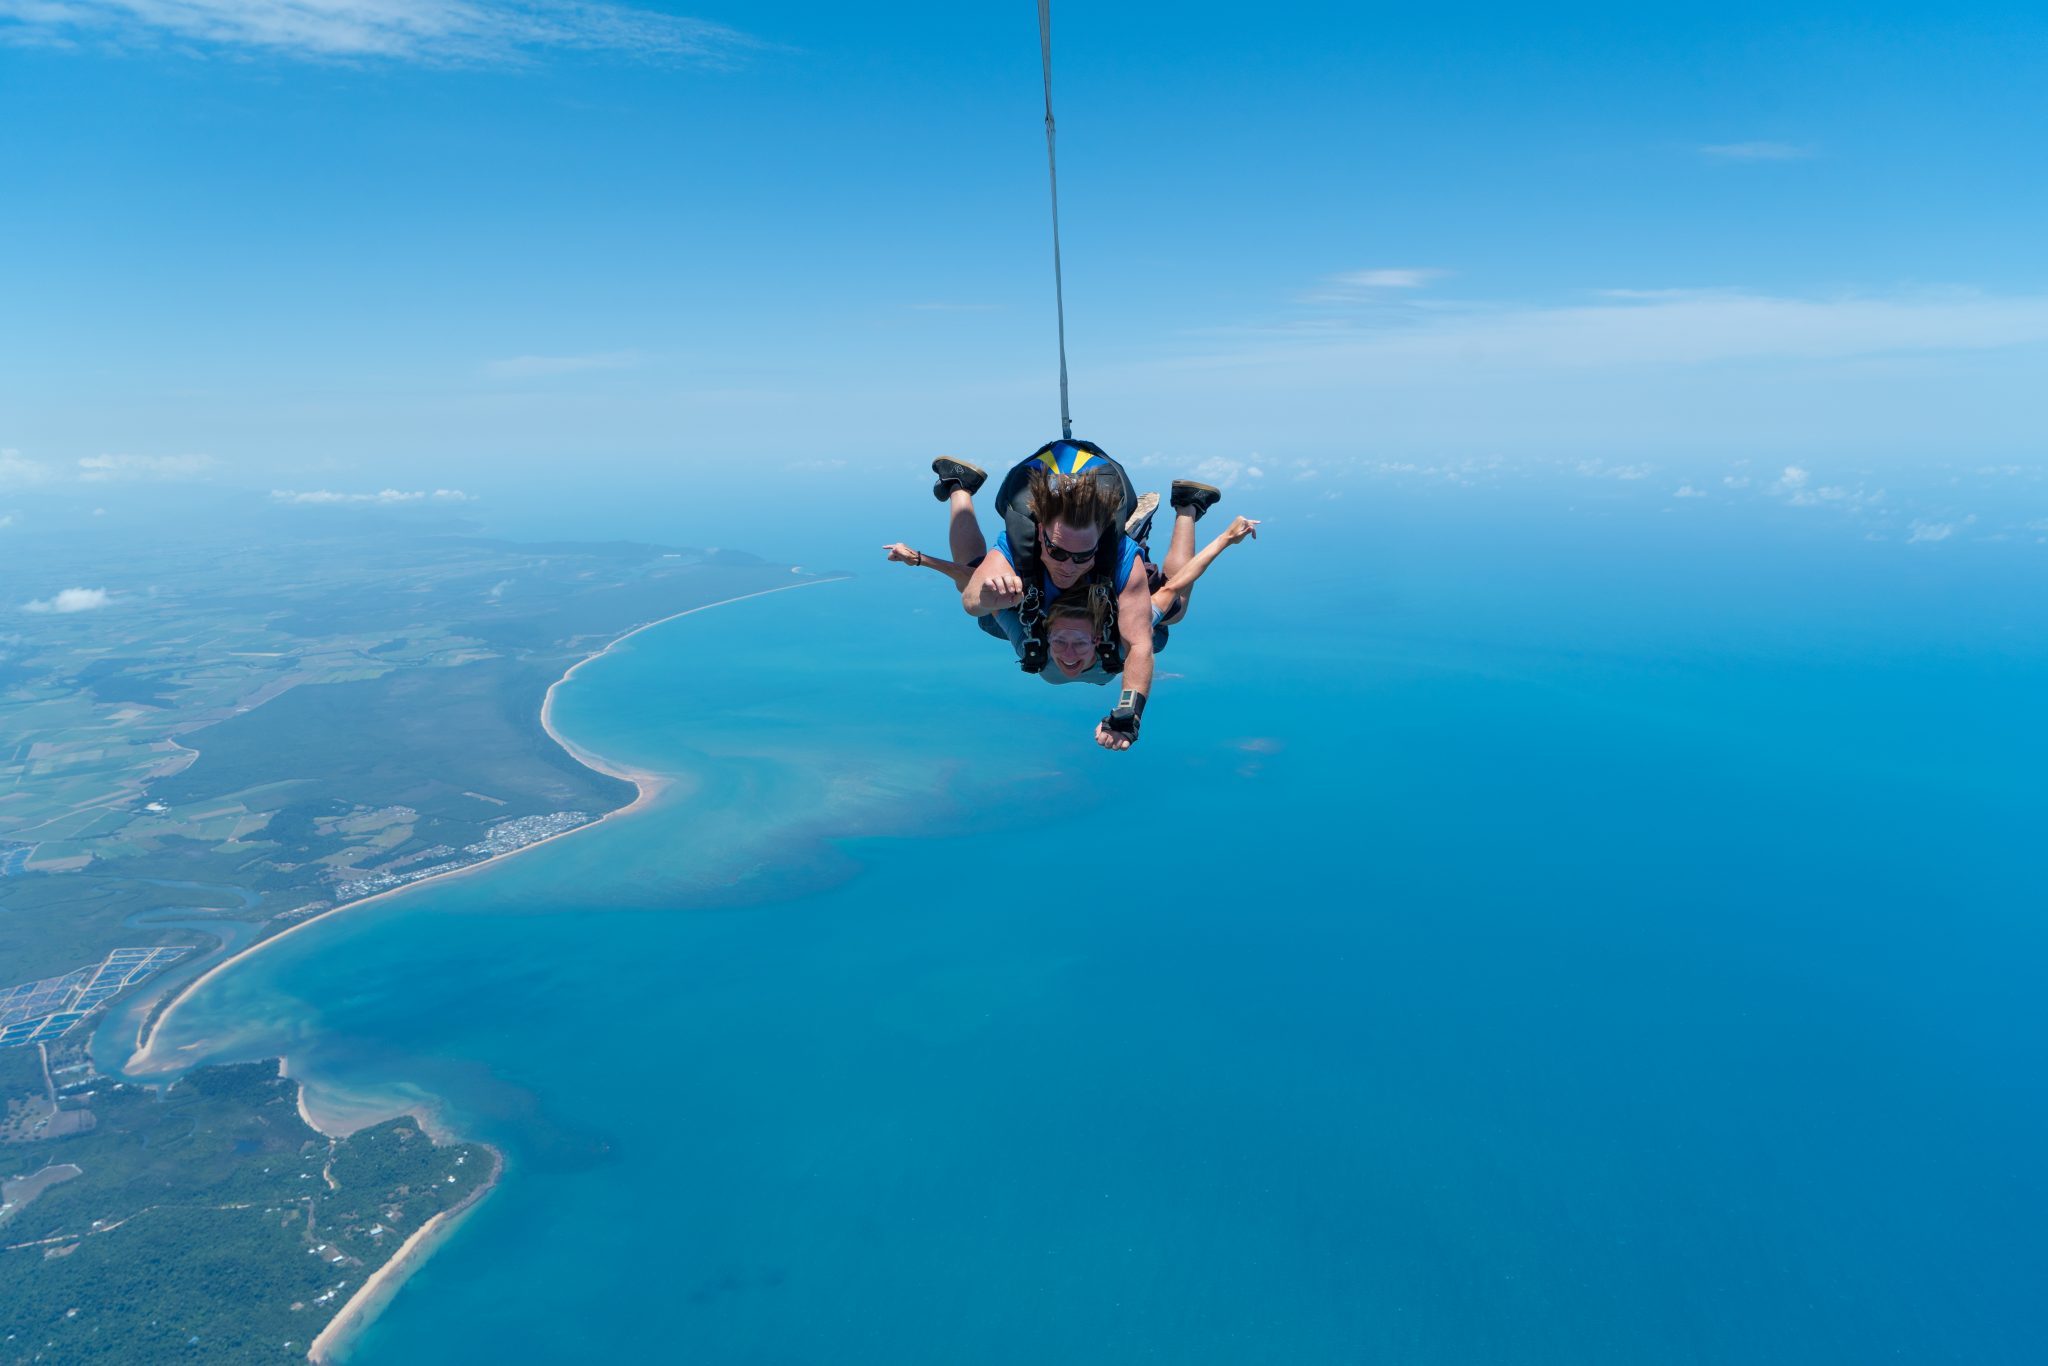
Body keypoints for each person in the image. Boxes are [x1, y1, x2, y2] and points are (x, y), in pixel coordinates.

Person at [884, 443, 1260, 750]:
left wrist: (1130, 713)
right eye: (1059, 551)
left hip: (1081, 598)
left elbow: (1141, 645)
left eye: (1082, 555)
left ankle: (1183, 508)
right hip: (1039, 598)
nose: (1067, 564)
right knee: (1171, 609)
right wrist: (989, 592)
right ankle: (959, 486)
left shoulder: (1116, 567)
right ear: (1042, 535)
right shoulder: (1019, 549)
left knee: (1168, 609)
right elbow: (970, 597)